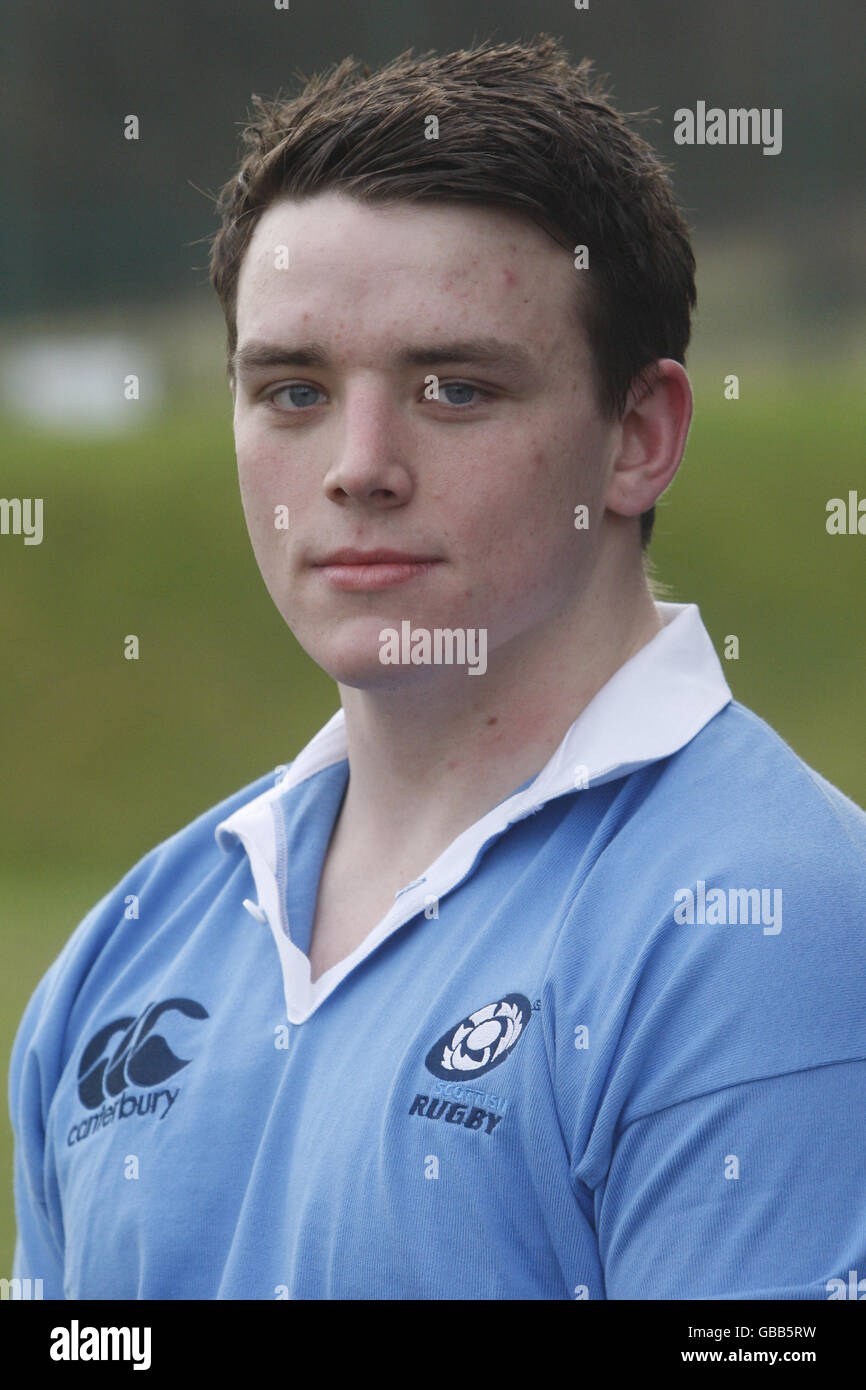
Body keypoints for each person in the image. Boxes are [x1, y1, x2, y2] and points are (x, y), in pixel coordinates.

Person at [9, 36, 866, 1301]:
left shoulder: (770, 927)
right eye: (292, 391)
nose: (358, 464)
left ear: (637, 437)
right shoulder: (129, 945)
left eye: (454, 389)